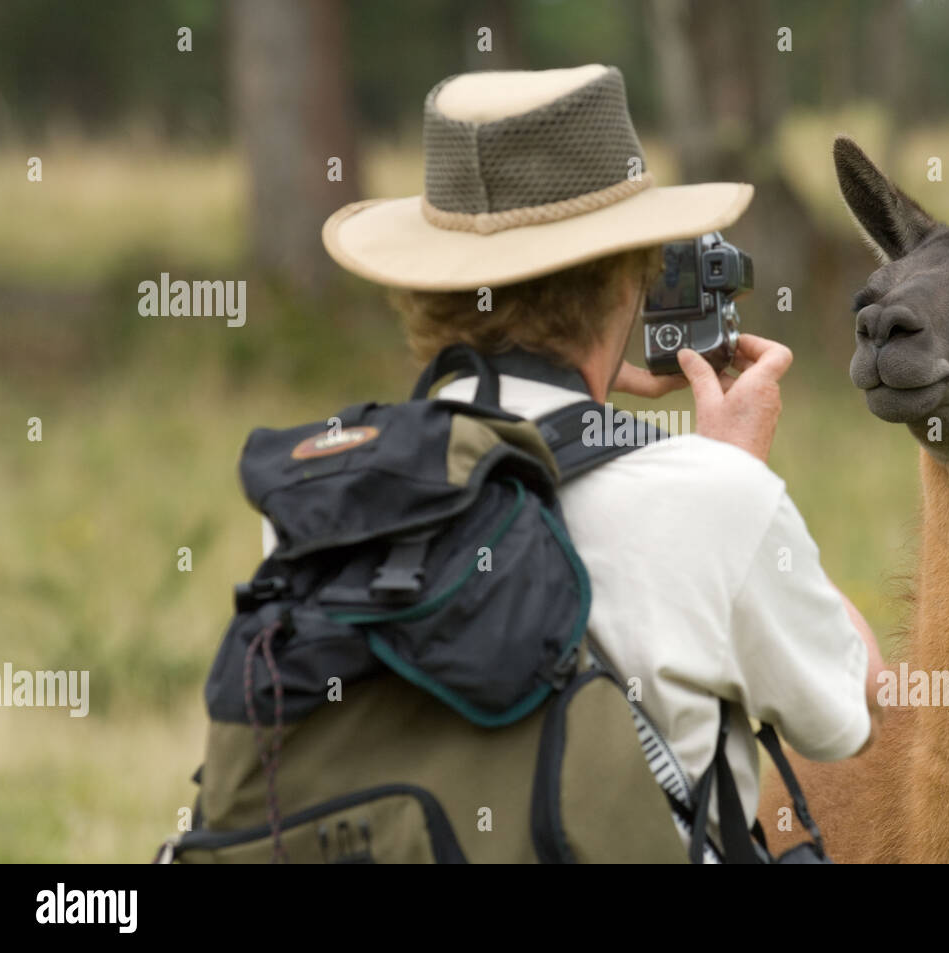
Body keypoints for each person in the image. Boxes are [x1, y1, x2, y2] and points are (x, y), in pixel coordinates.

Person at [306, 63, 884, 857]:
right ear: (628, 279)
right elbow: (854, 707)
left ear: (428, 286)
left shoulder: (327, 491)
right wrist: (738, 475)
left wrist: (591, 396)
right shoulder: (711, 499)